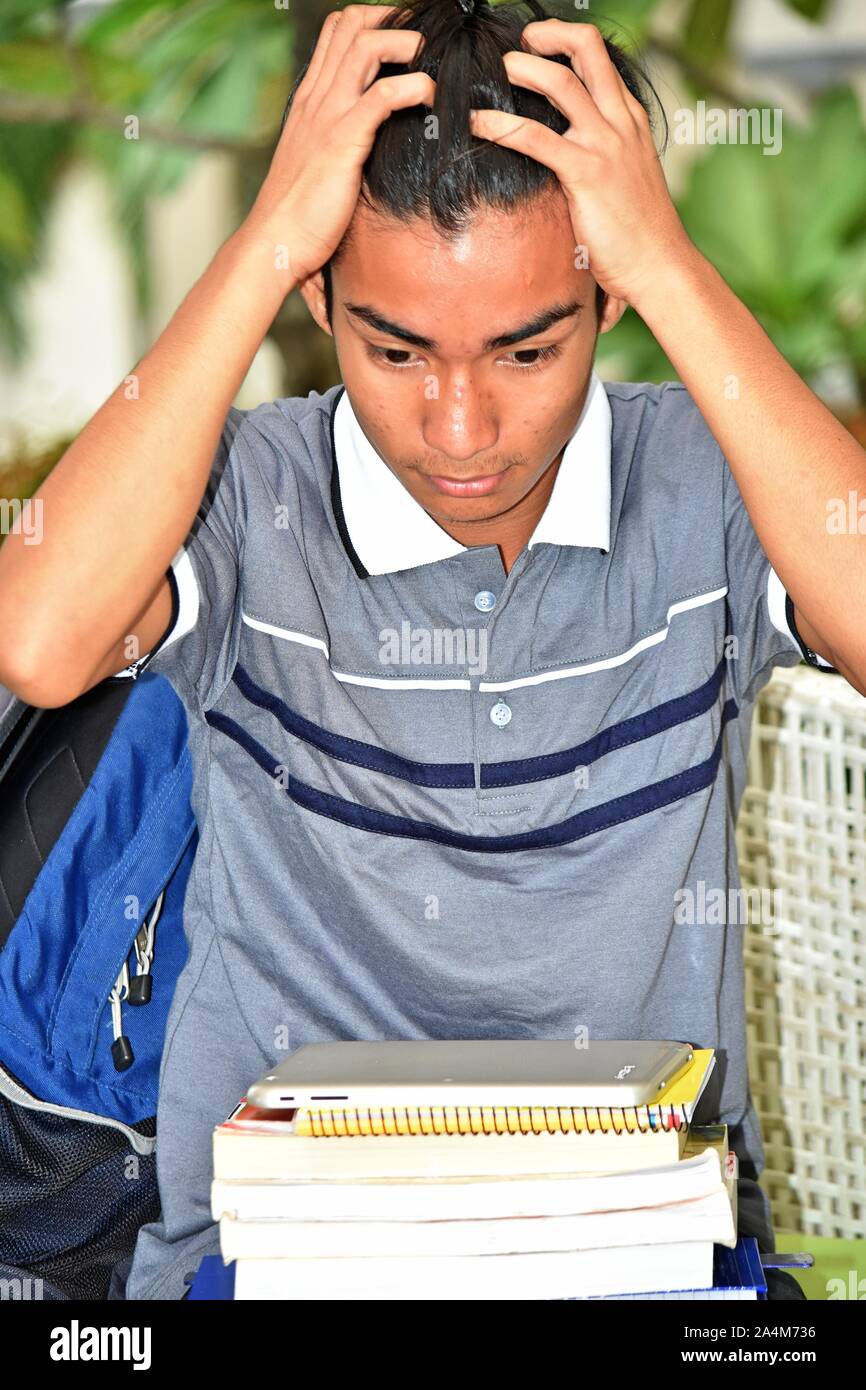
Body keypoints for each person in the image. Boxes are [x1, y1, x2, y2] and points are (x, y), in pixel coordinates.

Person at [1, 0, 858, 1302]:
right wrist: (263, 240)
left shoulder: (701, 478)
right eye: (395, 349)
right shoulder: (247, 493)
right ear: (316, 293)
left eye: (529, 347)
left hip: (640, 1261)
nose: (461, 429)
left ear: (608, 292)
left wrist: (674, 267)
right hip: (283, 1267)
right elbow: (39, 639)